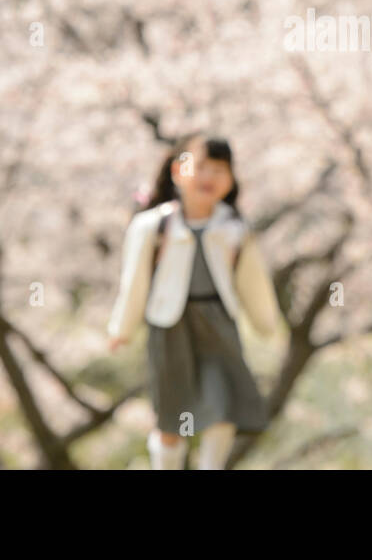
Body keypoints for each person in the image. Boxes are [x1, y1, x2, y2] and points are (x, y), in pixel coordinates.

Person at [108, 132, 282, 469]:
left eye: (220, 169)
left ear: (231, 179)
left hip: (218, 324)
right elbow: (134, 283)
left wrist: (265, 323)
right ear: (178, 171)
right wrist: (121, 328)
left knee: (222, 407)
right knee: (172, 416)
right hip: (169, 326)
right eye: (201, 166)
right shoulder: (151, 226)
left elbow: (253, 281)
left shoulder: (234, 228)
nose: (209, 177)